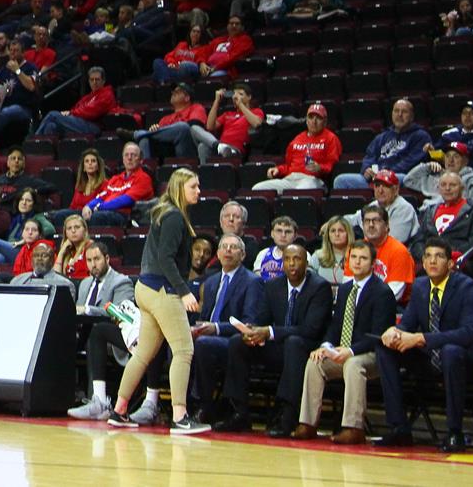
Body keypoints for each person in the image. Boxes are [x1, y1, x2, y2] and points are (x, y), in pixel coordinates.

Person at [104, 168, 210, 434]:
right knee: (184, 351)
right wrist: (184, 290)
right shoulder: (175, 217)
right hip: (162, 290)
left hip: (145, 288)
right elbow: (165, 258)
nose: (199, 191)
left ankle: (119, 411)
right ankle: (180, 416)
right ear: (179, 189)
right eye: (194, 187)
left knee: (142, 354)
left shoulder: (165, 212)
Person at [374, 237, 473, 452]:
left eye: (439, 256)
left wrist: (420, 339)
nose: (433, 261)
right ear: (423, 263)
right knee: (385, 349)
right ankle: (399, 428)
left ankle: (455, 432)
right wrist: (394, 332)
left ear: (450, 264)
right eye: (428, 257)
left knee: (451, 351)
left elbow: (467, 334)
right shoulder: (420, 285)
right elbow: (408, 322)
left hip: (467, 359)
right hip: (432, 357)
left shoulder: (467, 287)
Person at [216, 244, 331, 435]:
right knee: (238, 342)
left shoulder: (319, 287)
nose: (292, 264)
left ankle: (286, 415)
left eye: (297, 259)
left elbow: (310, 330)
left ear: (307, 263)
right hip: (278, 347)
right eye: (287, 259)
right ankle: (238, 412)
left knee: (294, 343)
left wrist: (268, 332)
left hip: (307, 349)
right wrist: (251, 331)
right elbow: (262, 319)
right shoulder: (273, 285)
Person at [292, 240, 398, 444]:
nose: (357, 262)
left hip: (373, 355)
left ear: (373, 263)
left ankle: (353, 427)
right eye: (354, 258)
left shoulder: (383, 292)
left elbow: (377, 335)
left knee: (353, 364)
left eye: (363, 258)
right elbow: (334, 325)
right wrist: (325, 346)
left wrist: (350, 351)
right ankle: (308, 423)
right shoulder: (345, 288)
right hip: (343, 350)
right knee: (315, 361)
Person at [188, 234, 262, 420]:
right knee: (179, 342)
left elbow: (249, 322)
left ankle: (203, 405)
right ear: (218, 254)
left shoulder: (252, 281)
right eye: (224, 247)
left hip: (233, 341)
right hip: (206, 337)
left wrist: (216, 328)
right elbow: (204, 318)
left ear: (243, 255)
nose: (228, 250)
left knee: (203, 344)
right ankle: (181, 404)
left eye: (234, 247)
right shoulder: (211, 282)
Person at [68, 243, 140, 420]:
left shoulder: (121, 281)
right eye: (89, 260)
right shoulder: (84, 284)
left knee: (97, 333)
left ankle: (99, 401)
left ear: (107, 259)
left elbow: (121, 315)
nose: (93, 264)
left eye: (97, 259)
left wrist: (88, 310)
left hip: (117, 338)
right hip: (84, 333)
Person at [333, 98, 431, 190]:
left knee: (403, 178)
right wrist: (366, 169)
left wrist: (386, 173)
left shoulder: (421, 136)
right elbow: (369, 156)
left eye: (404, 112)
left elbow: (410, 162)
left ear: (411, 116)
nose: (399, 115)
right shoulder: (382, 136)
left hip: (398, 176)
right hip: (375, 177)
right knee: (341, 180)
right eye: (396, 111)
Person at [251, 103, 341, 191]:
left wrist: (319, 168)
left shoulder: (331, 138)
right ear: (306, 120)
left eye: (318, 118)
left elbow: (333, 165)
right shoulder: (298, 138)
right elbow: (288, 166)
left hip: (312, 179)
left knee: (298, 193)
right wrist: (278, 169)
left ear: (325, 122)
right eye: (311, 117)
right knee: (258, 189)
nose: (314, 121)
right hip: (291, 178)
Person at [134, 83, 207, 160]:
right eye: (173, 91)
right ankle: (147, 168)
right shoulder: (165, 119)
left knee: (183, 127)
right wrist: (155, 130)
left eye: (177, 92)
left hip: (189, 149)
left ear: (187, 98)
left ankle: (138, 134)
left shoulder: (196, 108)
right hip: (168, 152)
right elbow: (161, 137)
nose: (173, 93)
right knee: (144, 140)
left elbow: (194, 127)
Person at [345, 172, 419, 247]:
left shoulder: (404, 208)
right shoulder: (374, 205)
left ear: (396, 189)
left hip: (396, 254)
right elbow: (351, 219)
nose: (380, 190)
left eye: (385, 186)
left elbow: (393, 242)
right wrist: (339, 222)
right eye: (377, 186)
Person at [308, 216, 354, 288]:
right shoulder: (318, 256)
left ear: (348, 234)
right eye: (333, 231)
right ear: (328, 235)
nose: (337, 234)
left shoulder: (355, 257)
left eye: (341, 231)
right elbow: (309, 282)